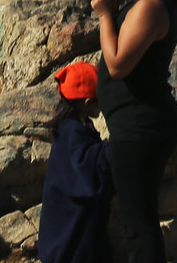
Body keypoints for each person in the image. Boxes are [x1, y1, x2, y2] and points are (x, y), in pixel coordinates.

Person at [91, 0, 177, 263]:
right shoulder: (150, 0)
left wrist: (104, 14)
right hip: (137, 124)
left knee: (139, 223)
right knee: (138, 218)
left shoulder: (150, 6)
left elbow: (117, 64)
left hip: (141, 126)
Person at [39, 61, 113, 263]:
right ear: (87, 103)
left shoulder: (73, 125)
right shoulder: (72, 133)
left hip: (74, 231)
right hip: (69, 238)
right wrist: (113, 146)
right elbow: (88, 172)